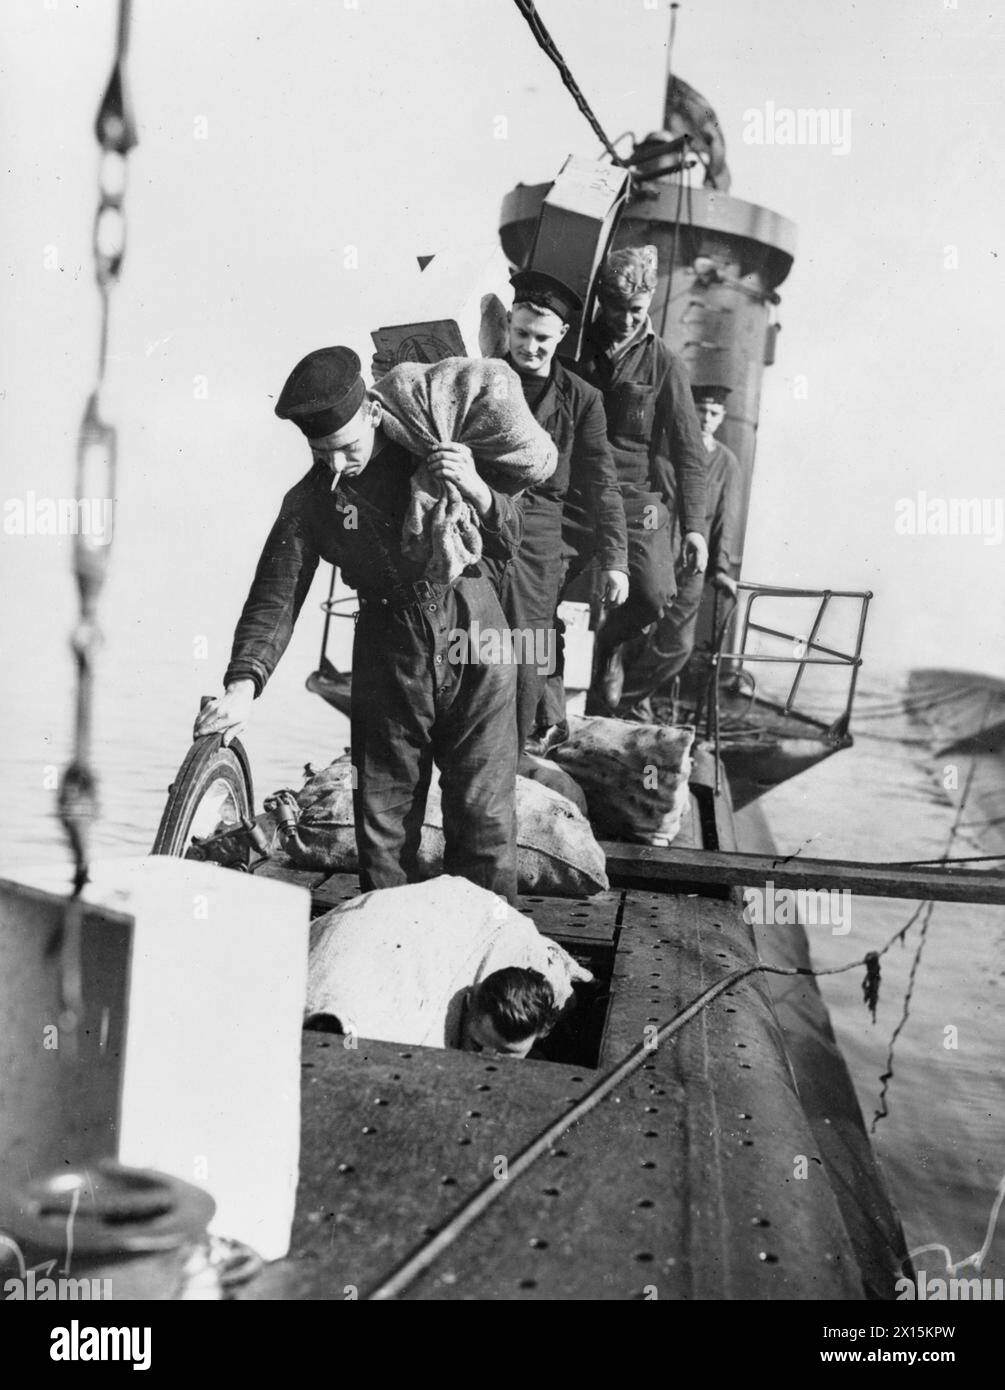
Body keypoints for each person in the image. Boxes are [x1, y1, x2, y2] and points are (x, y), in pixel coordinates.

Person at [193, 346, 526, 903]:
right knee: (385, 826)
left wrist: (479, 489)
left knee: (485, 820)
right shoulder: (308, 502)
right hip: (387, 646)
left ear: (373, 411)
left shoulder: (435, 447)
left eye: (346, 448)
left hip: (475, 631)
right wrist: (242, 687)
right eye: (321, 454)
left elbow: (511, 538)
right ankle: (390, 951)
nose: (337, 465)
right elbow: (276, 596)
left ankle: (493, 969)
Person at [535, 244, 709, 734]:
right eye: (618, 309)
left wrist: (694, 528)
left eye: (638, 310)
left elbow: (690, 453)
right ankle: (546, 710)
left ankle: (610, 644)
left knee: (655, 595)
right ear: (600, 304)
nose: (628, 320)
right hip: (572, 494)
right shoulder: (573, 349)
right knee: (536, 593)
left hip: (636, 502)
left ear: (650, 301)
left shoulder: (665, 367)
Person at [491, 269, 629, 751]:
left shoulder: (582, 399)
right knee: (468, 639)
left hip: (539, 534)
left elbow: (602, 484)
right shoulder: (482, 378)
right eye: (522, 333)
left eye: (543, 339)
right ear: (508, 324)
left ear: (564, 336)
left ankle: (521, 740)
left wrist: (616, 560)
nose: (530, 347)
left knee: (529, 643)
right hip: (481, 520)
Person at [303, 877, 593, 1056]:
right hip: (372, 930)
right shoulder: (411, 1025)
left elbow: (565, 985)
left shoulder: (536, 962)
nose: (487, 1061)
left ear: (543, 1032)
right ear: (469, 1000)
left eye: (506, 1052)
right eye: (477, 1046)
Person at [618, 383, 743, 720]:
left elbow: (725, 522)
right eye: (700, 410)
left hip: (691, 564)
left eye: (714, 413)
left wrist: (720, 569)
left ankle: (624, 699)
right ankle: (628, 703)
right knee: (638, 631)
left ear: (722, 418)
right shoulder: (662, 450)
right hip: (653, 552)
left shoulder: (727, 464)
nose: (706, 418)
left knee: (678, 646)